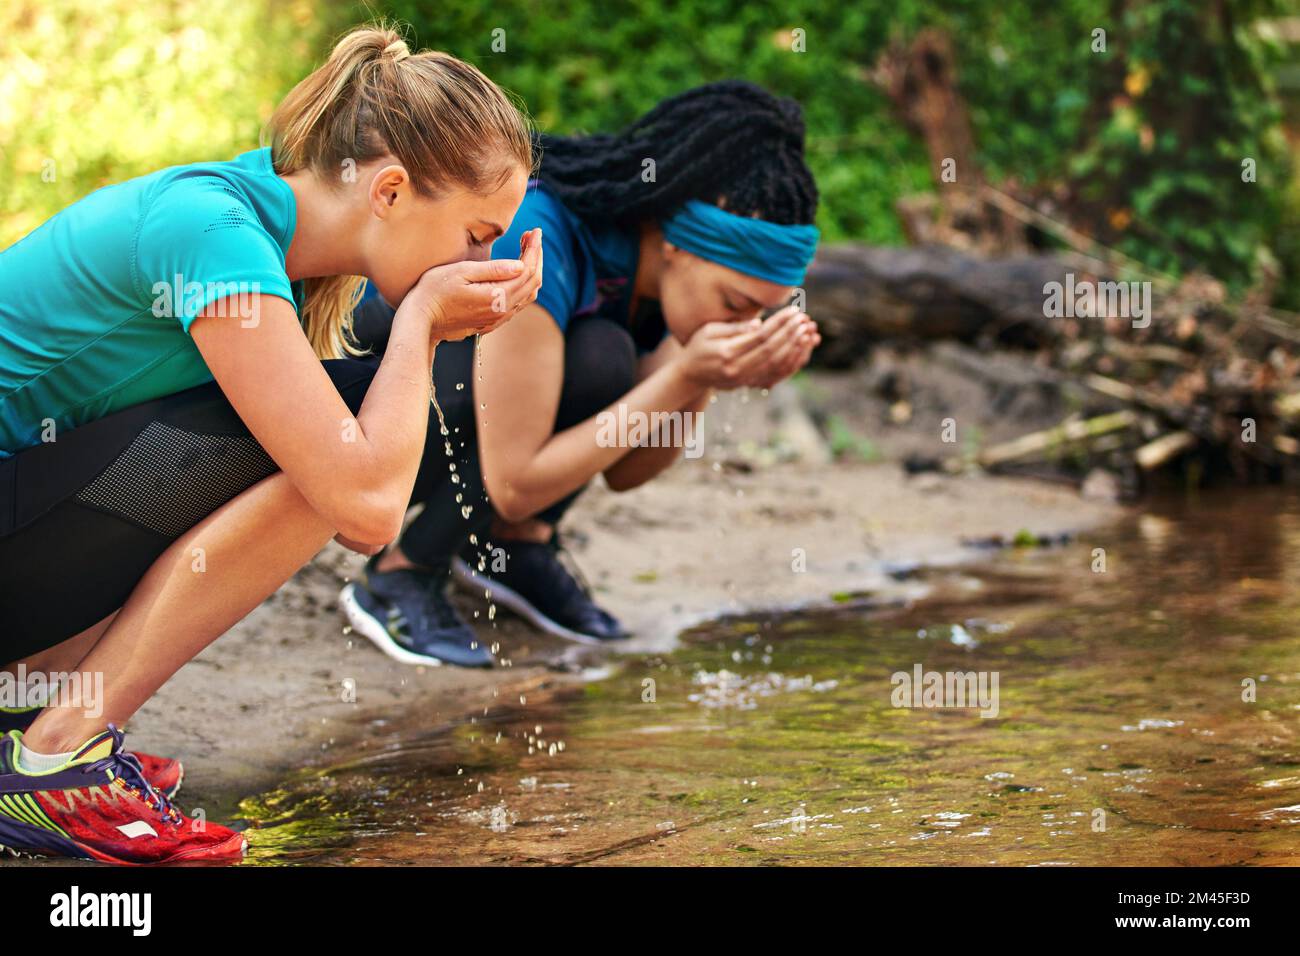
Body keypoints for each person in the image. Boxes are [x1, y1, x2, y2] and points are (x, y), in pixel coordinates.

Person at [0, 26, 541, 865]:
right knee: (333, 440)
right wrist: (424, 324)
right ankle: (54, 758)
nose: (486, 258)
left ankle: (26, 711)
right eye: (477, 234)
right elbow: (364, 512)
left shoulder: (263, 219)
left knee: (337, 419)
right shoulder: (212, 232)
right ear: (390, 191)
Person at [343, 81, 820, 665]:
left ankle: (509, 552)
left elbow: (626, 470)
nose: (745, 324)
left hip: (467, 432)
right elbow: (516, 484)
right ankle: (402, 571)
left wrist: (702, 378)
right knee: (598, 361)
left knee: (603, 355)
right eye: (736, 304)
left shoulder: (664, 291)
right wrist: (682, 376)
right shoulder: (540, 239)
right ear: (679, 247)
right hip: (361, 412)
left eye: (761, 313)